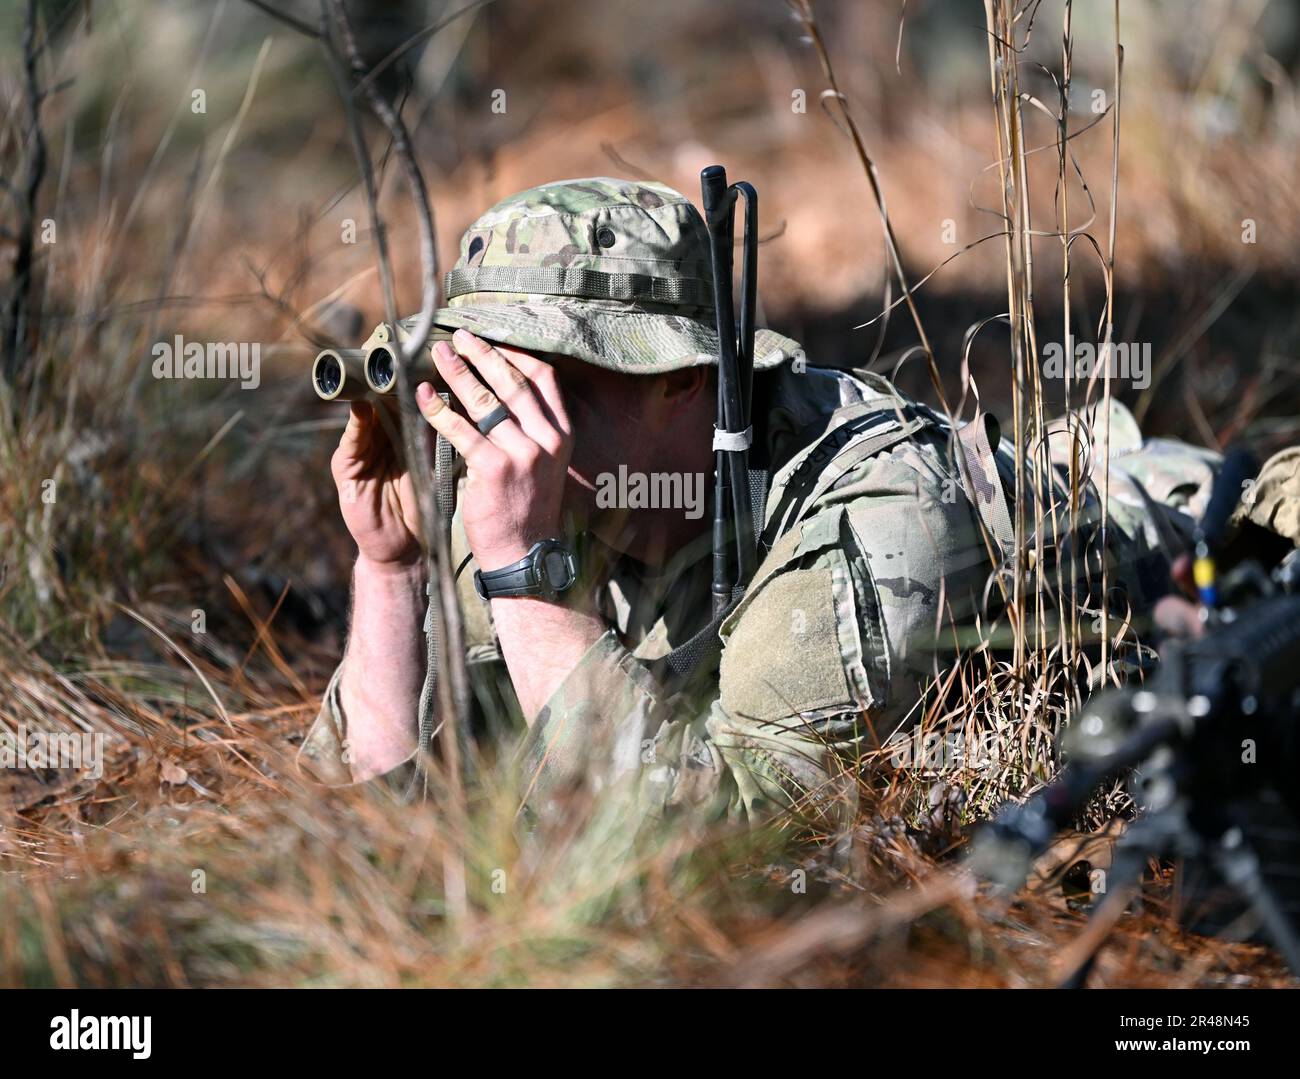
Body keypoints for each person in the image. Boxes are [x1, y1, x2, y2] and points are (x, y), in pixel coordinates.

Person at [295, 176, 1256, 832]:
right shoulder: (533, 505)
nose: (512, 422)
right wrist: (393, 566)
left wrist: (532, 586)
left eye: (554, 382)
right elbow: (368, 810)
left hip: (1178, 538)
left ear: (682, 381)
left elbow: (702, 852)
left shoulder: (871, 517)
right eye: (483, 380)